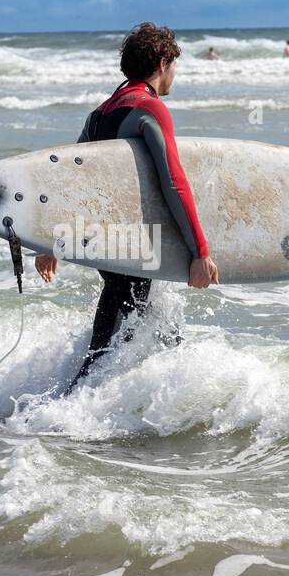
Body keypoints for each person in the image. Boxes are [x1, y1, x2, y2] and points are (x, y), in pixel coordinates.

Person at [35, 23, 220, 390]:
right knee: (124, 337)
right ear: (164, 62)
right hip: (135, 242)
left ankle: (84, 406)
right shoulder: (149, 108)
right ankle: (75, 412)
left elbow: (71, 179)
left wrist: (47, 242)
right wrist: (200, 251)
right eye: (173, 67)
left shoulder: (100, 114)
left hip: (108, 242)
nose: (173, 76)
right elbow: (173, 181)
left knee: (134, 331)